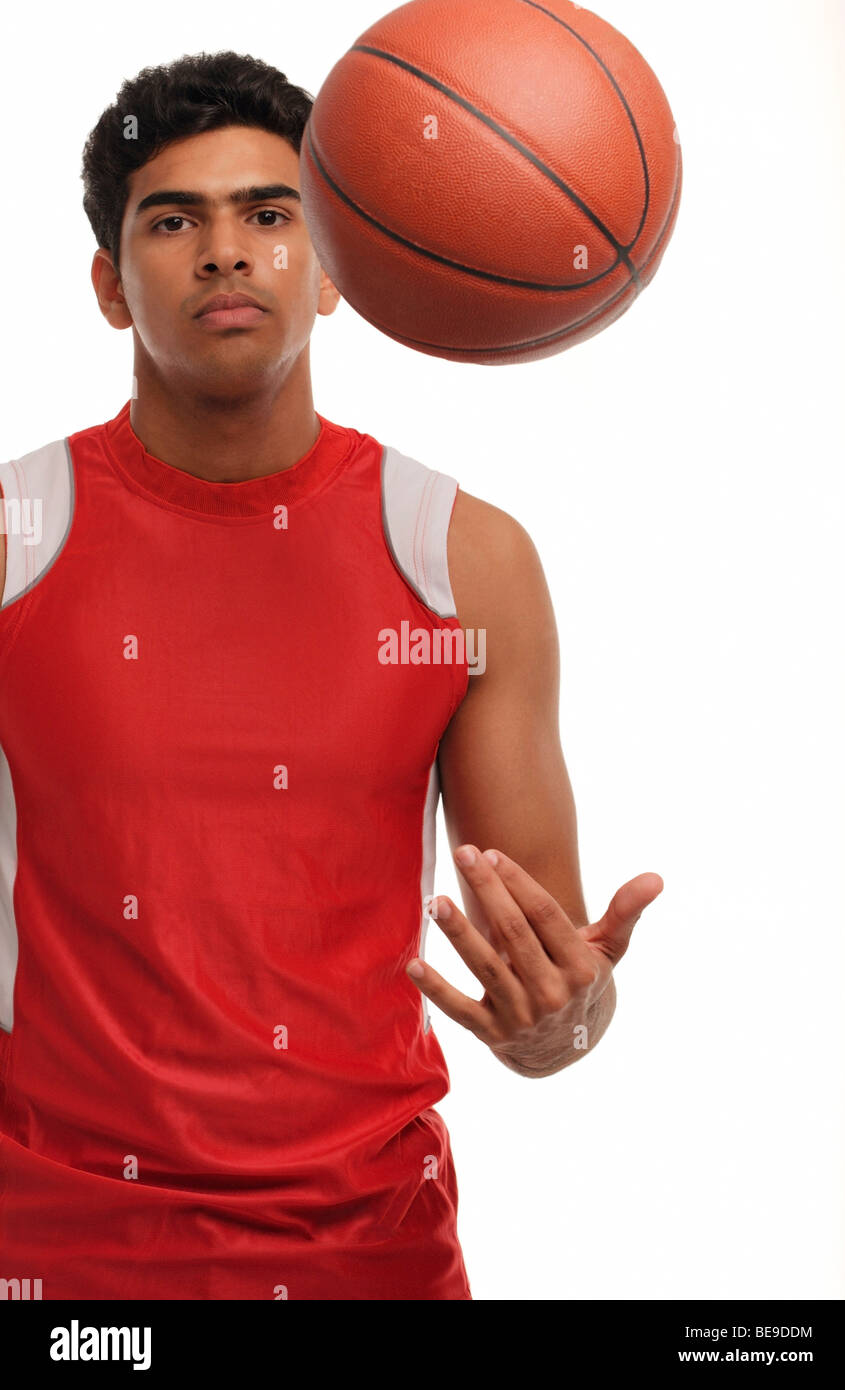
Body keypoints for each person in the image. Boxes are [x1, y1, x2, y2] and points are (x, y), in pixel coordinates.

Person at [0, 50, 662, 1301]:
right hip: (56, 1255)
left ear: (336, 269)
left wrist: (560, 1021)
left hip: (369, 1250)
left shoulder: (460, 559)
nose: (226, 252)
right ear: (107, 283)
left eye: (269, 213)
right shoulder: (13, 537)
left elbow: (550, 982)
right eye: (172, 220)